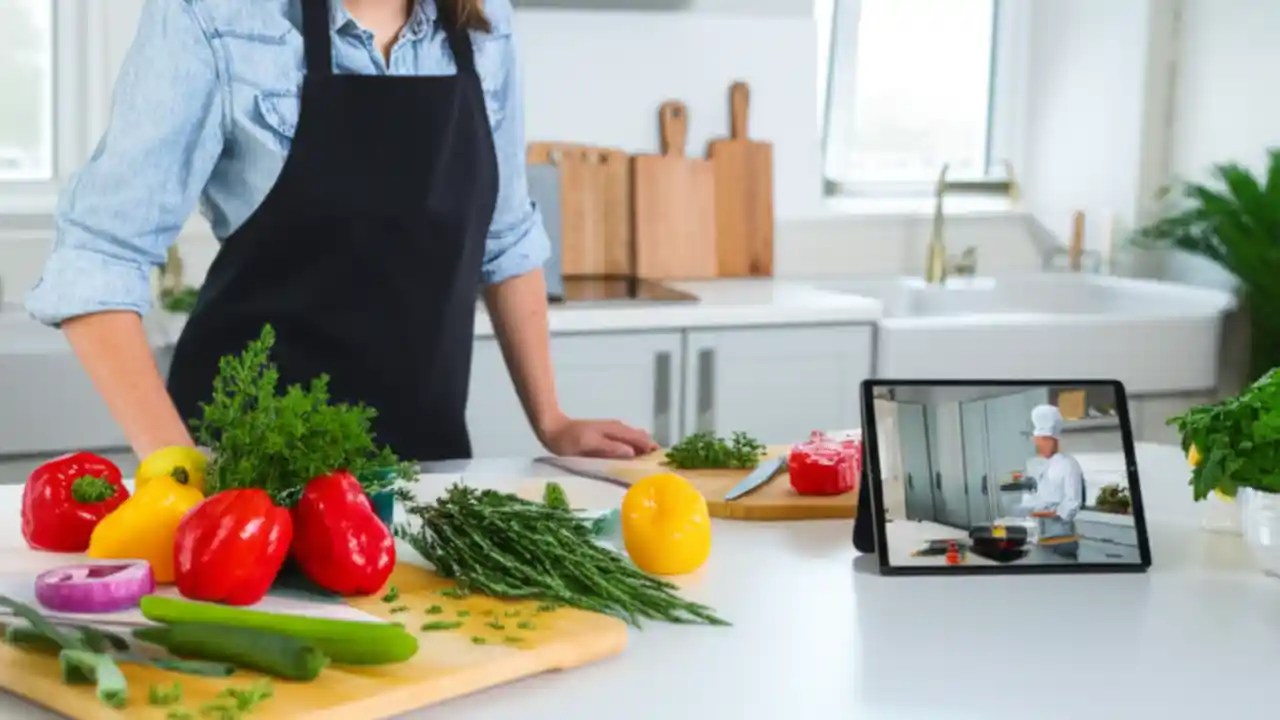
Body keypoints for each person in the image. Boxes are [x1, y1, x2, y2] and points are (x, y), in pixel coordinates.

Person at [23, 0, 657, 463]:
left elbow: (506, 235)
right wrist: (176, 468)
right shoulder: (217, 17)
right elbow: (98, 256)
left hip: (420, 473)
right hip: (242, 474)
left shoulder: (482, 21)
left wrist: (551, 420)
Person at [1018, 404, 1084, 559]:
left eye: (1043, 441)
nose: (1038, 445)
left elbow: (1073, 503)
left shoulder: (1068, 464)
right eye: (1037, 441)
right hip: (1039, 539)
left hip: (1062, 539)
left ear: (1053, 440)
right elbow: (1030, 497)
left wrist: (1048, 512)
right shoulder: (1035, 464)